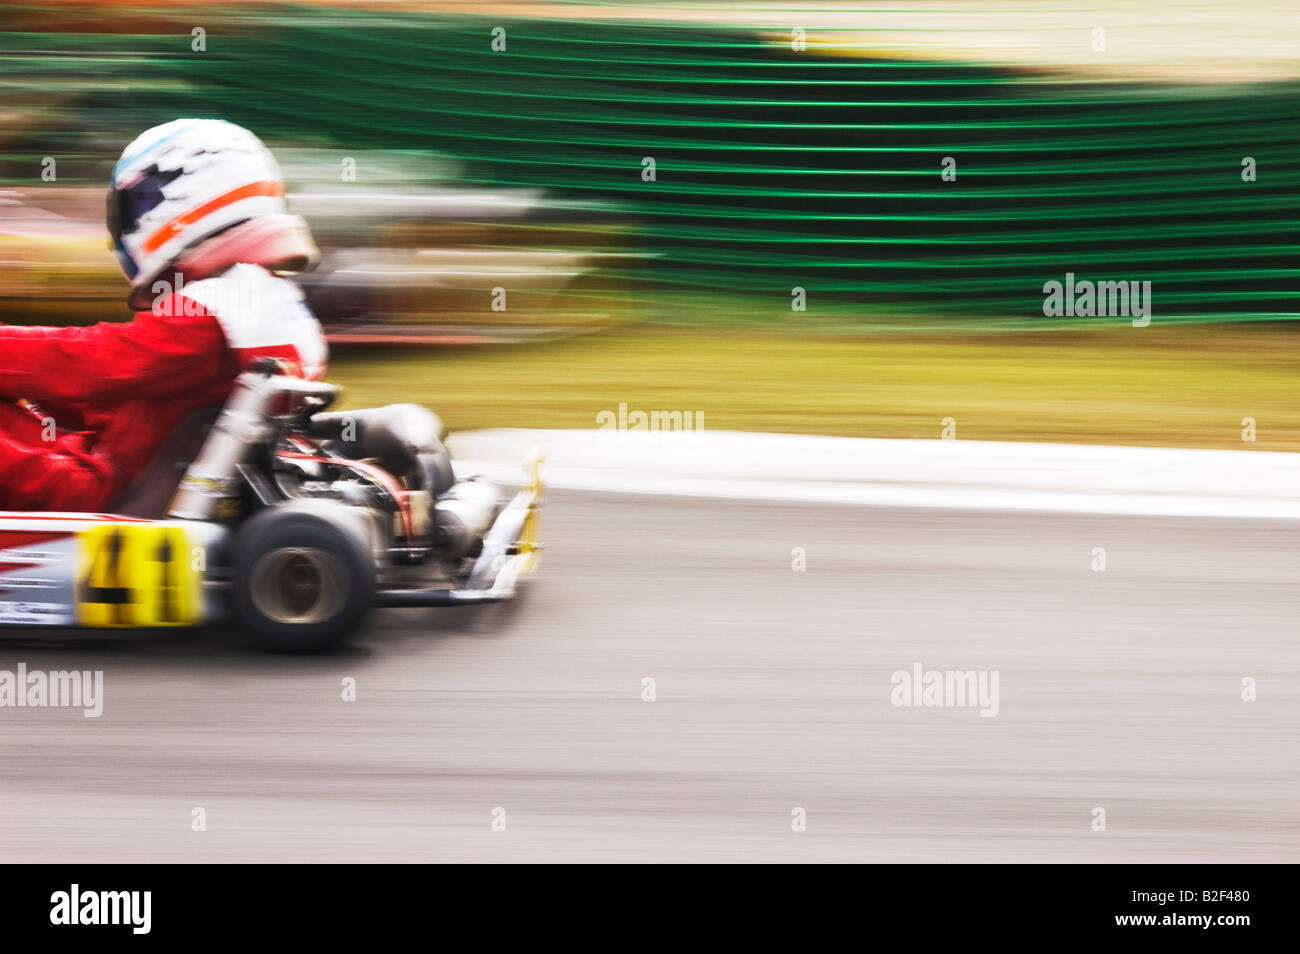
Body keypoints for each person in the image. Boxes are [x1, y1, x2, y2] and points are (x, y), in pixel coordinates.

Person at [0, 118, 327, 512]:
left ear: (190, 193)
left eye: (141, 202)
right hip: (133, 469)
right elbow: (138, 402)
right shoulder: (266, 297)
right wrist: (33, 392)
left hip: (99, 488)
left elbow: (92, 364)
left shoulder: (212, 312)